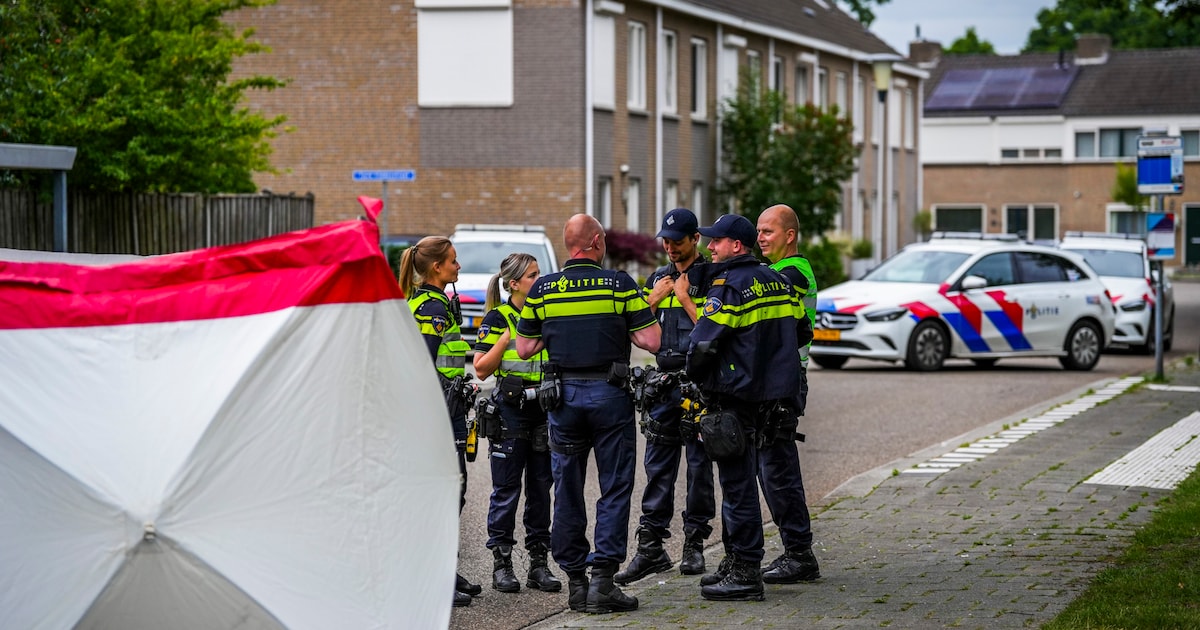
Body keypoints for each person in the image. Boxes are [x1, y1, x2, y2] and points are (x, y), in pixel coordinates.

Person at [515, 213, 661, 614]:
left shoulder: (543, 289)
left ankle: (576, 584)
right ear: (596, 242)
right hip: (609, 395)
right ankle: (603, 583)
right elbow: (651, 340)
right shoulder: (619, 284)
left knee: (567, 486)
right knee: (614, 486)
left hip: (562, 398)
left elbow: (524, 348)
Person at [680, 213, 806, 601]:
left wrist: (696, 376)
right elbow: (802, 330)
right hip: (774, 398)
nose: (709, 247)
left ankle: (746, 570)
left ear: (736, 245)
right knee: (758, 479)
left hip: (735, 397)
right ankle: (736, 560)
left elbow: (702, 344)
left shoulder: (729, 285)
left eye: (716, 241)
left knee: (737, 486)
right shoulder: (777, 280)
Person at [615, 208, 715, 585]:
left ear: (695, 239)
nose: (670, 248)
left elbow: (715, 330)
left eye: (677, 241)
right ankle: (651, 547)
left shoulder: (712, 277)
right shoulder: (657, 278)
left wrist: (686, 298)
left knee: (699, 468)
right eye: (666, 242)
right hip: (662, 385)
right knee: (657, 468)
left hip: (699, 384)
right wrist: (653, 299)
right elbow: (636, 329)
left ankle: (695, 543)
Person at [398, 236, 481, 608]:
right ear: (436, 267)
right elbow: (424, 363)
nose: (458, 266)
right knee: (447, 493)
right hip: (439, 413)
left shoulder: (427, 300)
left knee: (450, 492)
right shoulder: (432, 307)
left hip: (443, 409)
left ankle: (444, 568)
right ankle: (434, 576)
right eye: (453, 261)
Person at [472, 253, 561, 594]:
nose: (539, 280)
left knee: (541, 490)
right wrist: (507, 338)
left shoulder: (546, 313)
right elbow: (481, 368)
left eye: (539, 273)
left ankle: (538, 564)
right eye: (532, 275)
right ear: (514, 284)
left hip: (544, 410)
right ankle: (502, 564)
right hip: (510, 412)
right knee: (507, 490)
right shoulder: (498, 317)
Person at [755, 204, 821, 584]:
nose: (760, 238)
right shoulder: (777, 271)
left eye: (768, 232)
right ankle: (793, 550)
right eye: (758, 232)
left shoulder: (794, 273)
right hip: (773, 381)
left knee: (778, 471)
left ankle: (800, 554)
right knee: (768, 470)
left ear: (789, 235)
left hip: (785, 381)